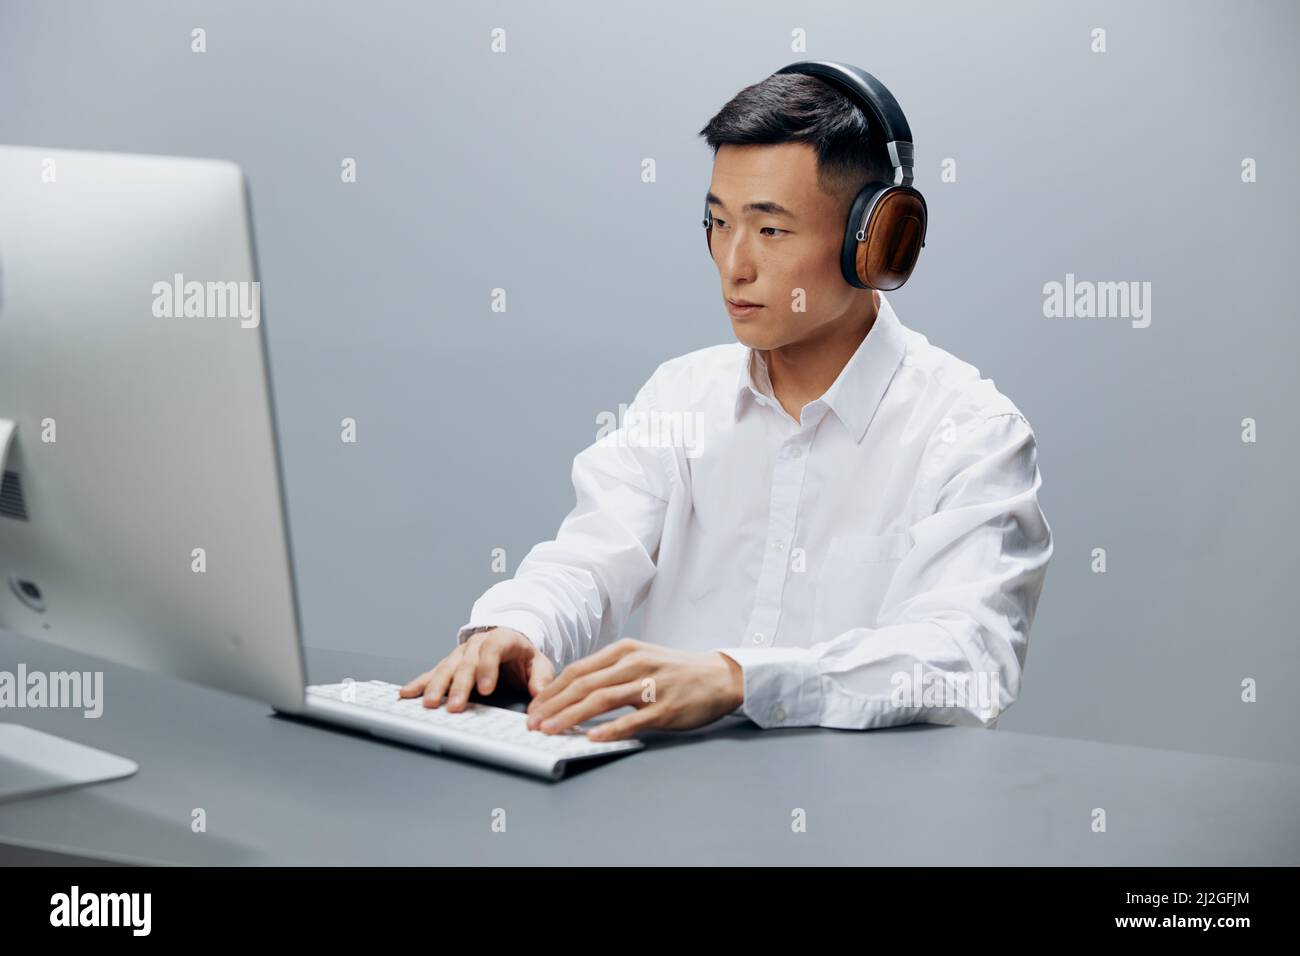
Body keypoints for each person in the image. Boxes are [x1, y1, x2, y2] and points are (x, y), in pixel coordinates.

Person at [400, 65, 1053, 741]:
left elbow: (966, 658)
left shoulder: (973, 433)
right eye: (717, 222)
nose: (733, 264)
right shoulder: (682, 395)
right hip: (672, 822)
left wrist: (739, 679)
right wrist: (517, 626)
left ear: (876, 241)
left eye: (770, 231)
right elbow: (590, 557)